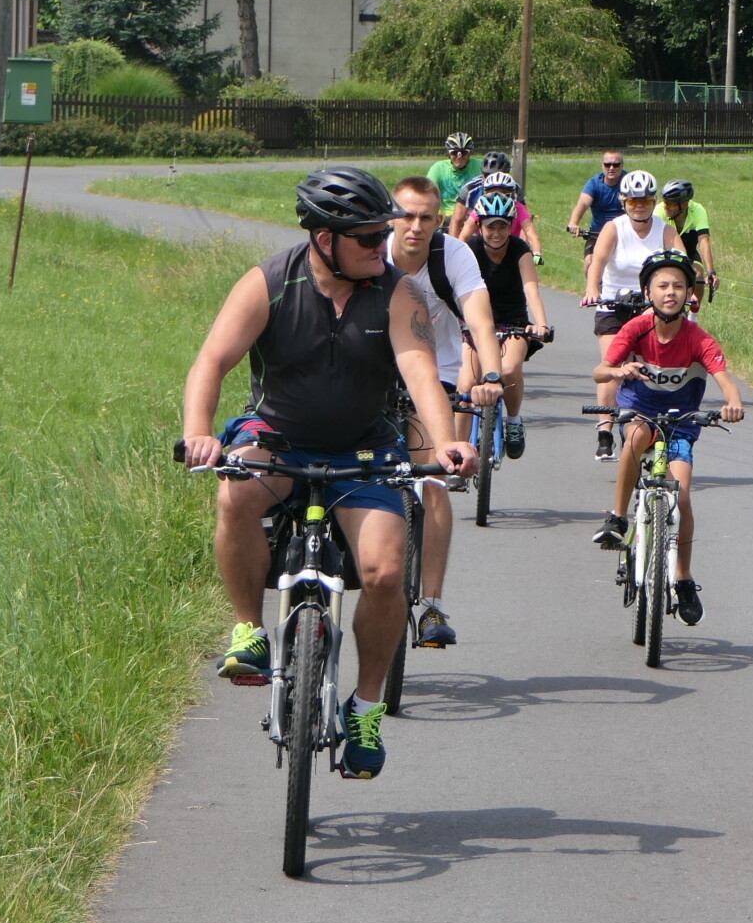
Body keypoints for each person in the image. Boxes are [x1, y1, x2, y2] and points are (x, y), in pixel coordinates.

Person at [180, 167, 477, 780]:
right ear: (325, 240)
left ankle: (365, 707)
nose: (383, 245)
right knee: (236, 494)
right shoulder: (268, 282)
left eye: (383, 234)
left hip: (363, 450)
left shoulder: (398, 294)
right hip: (279, 437)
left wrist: (445, 443)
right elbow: (212, 360)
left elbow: (421, 370)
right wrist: (200, 432)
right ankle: (246, 631)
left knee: (386, 573)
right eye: (368, 237)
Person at [590, 251, 746, 626]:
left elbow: (725, 380)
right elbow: (600, 372)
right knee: (635, 438)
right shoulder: (636, 329)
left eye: (679, 285)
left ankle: (683, 578)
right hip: (640, 413)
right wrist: (619, 369)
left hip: (682, 422)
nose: (671, 292)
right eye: (662, 285)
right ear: (648, 291)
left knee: (683, 496)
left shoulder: (697, 338)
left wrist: (734, 403)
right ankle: (618, 517)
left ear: (689, 294)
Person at [386, 176, 506, 647]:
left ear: (440, 219)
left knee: (434, 476)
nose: (415, 227)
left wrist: (491, 377)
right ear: (390, 216)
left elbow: (479, 316)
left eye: (426, 218)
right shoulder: (370, 251)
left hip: (436, 373)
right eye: (406, 216)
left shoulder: (453, 255)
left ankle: (432, 605)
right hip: (374, 371)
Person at [581, 170, 685, 459]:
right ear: (624, 201)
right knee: (614, 367)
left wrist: (689, 291)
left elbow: (683, 262)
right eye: (633, 202)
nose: (639, 207)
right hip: (614, 307)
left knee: (654, 370)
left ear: (654, 203)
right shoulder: (615, 228)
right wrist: (592, 289)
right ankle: (605, 430)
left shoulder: (664, 230)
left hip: (652, 309)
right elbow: (597, 263)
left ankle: (650, 427)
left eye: (645, 202)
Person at [462, 191, 550, 461]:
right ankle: (458, 450)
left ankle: (513, 422)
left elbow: (531, 289)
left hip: (513, 323)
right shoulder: (471, 250)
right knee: (465, 386)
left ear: (510, 226)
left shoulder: (519, 250)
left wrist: (541, 324)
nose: (496, 233)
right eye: (490, 226)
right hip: (476, 324)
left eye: (502, 226)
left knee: (509, 369)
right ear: (480, 227)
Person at [459, 170, 546, 258]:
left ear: (512, 194)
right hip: (485, 250)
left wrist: (536, 254)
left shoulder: (518, 208)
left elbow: (531, 235)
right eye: (493, 192)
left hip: (511, 250)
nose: (498, 197)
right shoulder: (482, 208)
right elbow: (464, 236)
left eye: (504, 192)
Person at [660, 180, 717, 312]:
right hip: (665, 251)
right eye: (665, 202)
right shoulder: (659, 212)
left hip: (690, 250)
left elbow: (704, 241)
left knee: (697, 274)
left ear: (684, 204)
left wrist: (711, 272)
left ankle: (693, 315)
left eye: (670, 204)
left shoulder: (698, 211)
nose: (665, 206)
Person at [567, 151, 628, 259]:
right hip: (597, 234)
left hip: (625, 234)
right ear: (602, 165)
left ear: (622, 165)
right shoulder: (594, 184)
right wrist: (574, 222)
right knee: (589, 262)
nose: (611, 168)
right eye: (607, 164)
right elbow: (583, 203)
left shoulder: (629, 182)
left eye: (616, 165)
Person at [426, 133, 479, 215]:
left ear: (470, 154)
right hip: (444, 218)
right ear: (448, 154)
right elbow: (429, 195)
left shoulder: (480, 166)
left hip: (471, 216)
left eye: (464, 152)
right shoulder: (438, 168)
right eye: (454, 153)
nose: (459, 156)